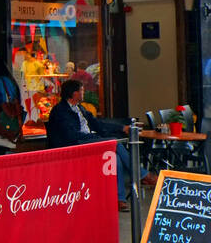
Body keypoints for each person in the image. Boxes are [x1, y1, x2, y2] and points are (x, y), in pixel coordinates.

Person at [47, 78, 146, 211]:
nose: (84, 93)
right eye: (82, 90)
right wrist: (94, 137)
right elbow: (71, 136)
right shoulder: (60, 111)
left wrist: (122, 128)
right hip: (74, 147)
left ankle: (119, 199)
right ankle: (142, 175)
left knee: (113, 157)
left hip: (87, 142)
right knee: (114, 144)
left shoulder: (79, 108)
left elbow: (97, 124)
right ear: (74, 93)